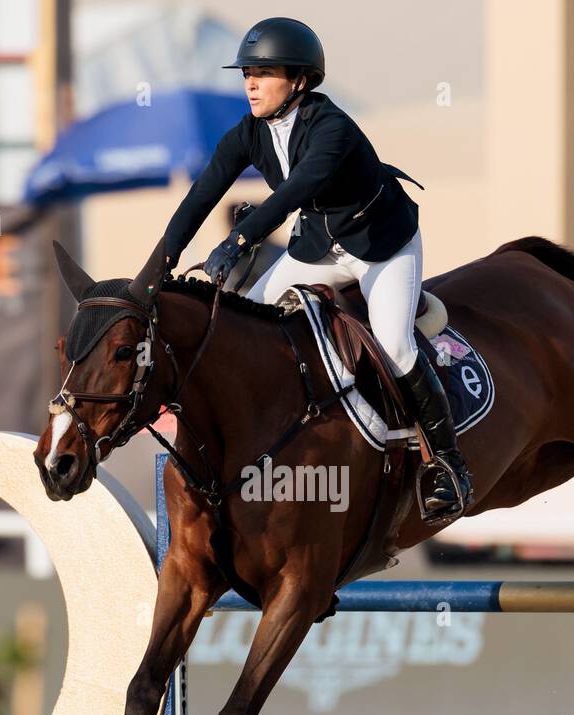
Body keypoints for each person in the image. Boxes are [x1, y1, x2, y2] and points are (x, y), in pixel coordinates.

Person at [162, 17, 473, 521]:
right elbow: (202, 194)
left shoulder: (332, 129)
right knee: (253, 319)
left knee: (394, 345)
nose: (251, 83)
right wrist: (159, 264)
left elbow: (290, 196)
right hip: (320, 248)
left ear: (300, 80)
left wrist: (240, 240)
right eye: (247, 73)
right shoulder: (249, 132)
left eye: (264, 72)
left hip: (381, 246)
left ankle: (450, 466)